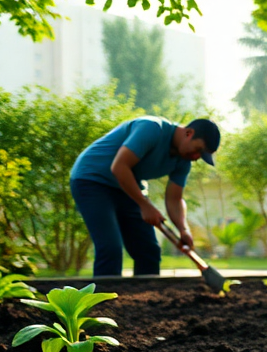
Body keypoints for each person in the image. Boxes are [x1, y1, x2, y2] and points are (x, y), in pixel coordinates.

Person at [70, 117, 221, 277]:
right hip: (92, 180)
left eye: (201, 155)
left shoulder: (183, 161)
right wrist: (145, 205)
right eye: (198, 149)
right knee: (110, 248)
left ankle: (146, 299)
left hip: (126, 187)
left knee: (148, 251)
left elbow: (174, 199)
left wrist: (183, 230)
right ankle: (105, 300)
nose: (196, 157)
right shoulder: (152, 129)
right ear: (188, 133)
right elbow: (119, 166)